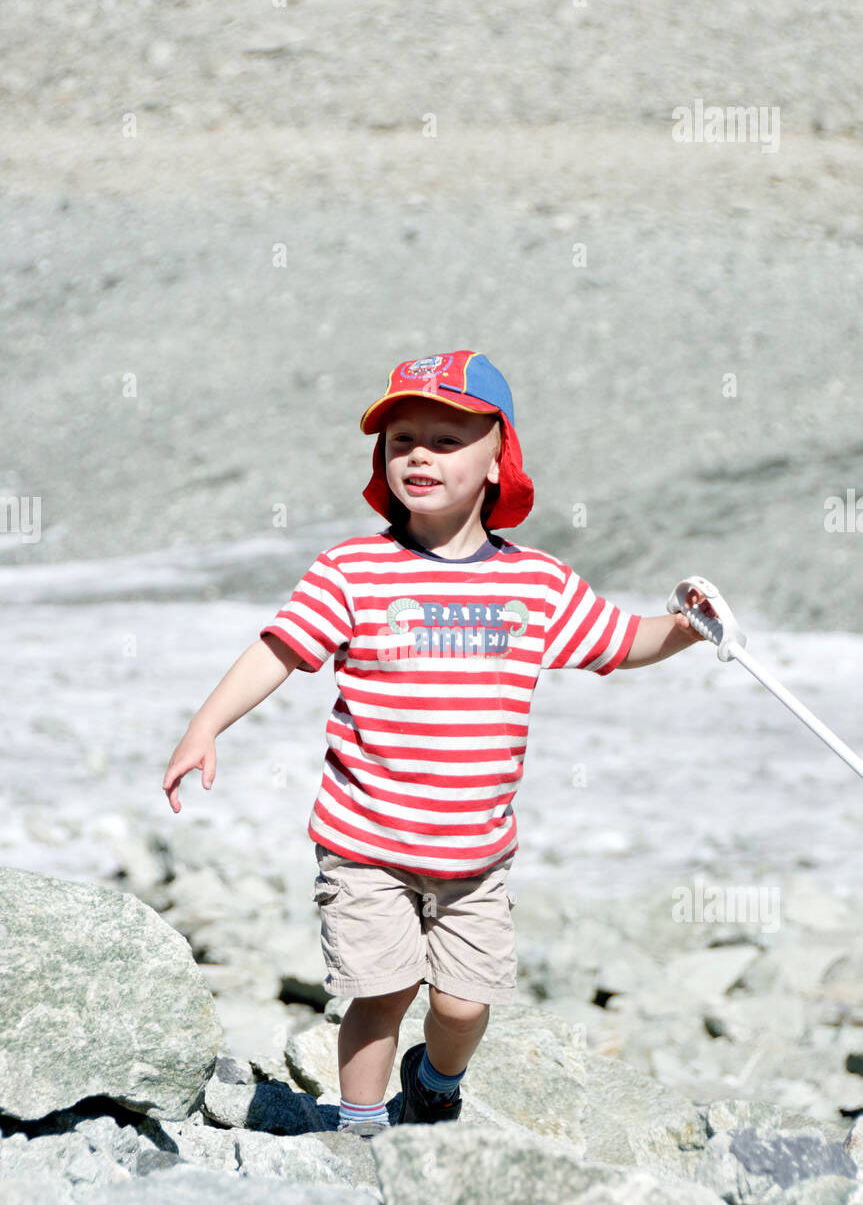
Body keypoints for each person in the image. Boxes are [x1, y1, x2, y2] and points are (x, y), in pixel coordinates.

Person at [163, 351, 705, 1139]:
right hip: (365, 840)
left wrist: (688, 627)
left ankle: (435, 1081)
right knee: (379, 993)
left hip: (475, 854)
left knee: (462, 1005)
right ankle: (358, 1131)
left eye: (447, 439)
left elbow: (622, 641)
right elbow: (278, 651)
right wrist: (203, 727)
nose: (419, 454)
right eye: (402, 438)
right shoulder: (353, 569)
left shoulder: (535, 583)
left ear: (497, 458)